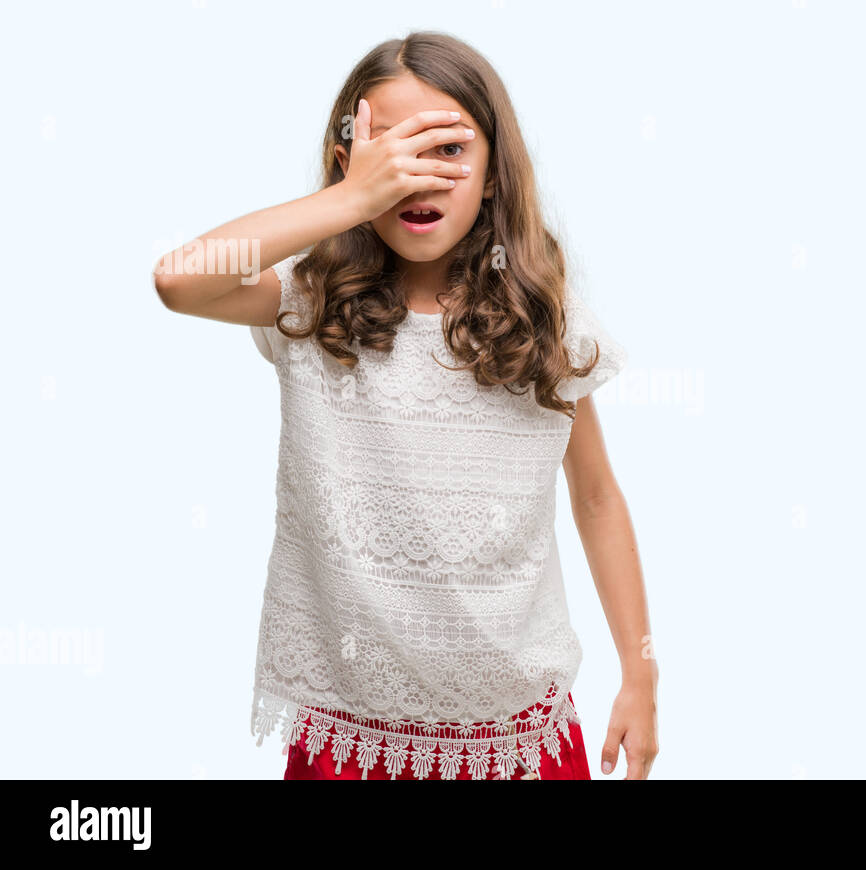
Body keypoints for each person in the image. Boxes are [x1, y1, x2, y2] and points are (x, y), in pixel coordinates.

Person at [153, 31, 658, 780]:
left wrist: (640, 673)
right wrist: (348, 200)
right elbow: (179, 278)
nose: (416, 175)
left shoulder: (542, 321)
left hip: (514, 739)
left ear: (493, 174)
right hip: (351, 738)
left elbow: (595, 495)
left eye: (447, 149)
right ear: (349, 160)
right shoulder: (308, 303)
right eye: (390, 150)